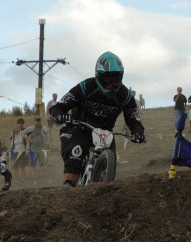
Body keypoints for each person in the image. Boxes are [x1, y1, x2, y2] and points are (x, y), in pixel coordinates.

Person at [49, 51, 146, 188]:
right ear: (99, 76)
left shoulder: (125, 95)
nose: (112, 84)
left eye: (116, 80)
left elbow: (134, 119)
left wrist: (138, 132)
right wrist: (59, 115)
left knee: (110, 159)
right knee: (75, 153)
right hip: (79, 126)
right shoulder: (86, 87)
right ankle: (68, 186)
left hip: (105, 132)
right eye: (107, 80)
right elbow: (60, 105)